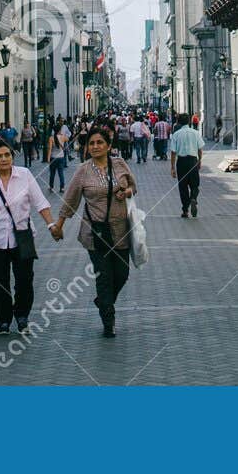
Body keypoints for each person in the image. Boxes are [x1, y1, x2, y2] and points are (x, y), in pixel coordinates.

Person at [52, 126, 136, 338]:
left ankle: (103, 300)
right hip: (95, 232)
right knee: (104, 276)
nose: (96, 146)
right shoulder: (83, 170)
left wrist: (125, 191)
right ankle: (109, 319)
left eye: (100, 143)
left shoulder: (119, 164)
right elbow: (71, 200)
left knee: (122, 274)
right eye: (92, 143)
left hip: (120, 230)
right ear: (87, 147)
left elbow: (133, 187)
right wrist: (59, 225)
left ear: (108, 145)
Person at [0, 138, 57, 335]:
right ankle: (3, 320)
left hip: (23, 237)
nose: (4, 159)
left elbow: (40, 202)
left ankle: (22, 315)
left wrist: (51, 224)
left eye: (7, 155)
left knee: (25, 280)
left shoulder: (25, 175)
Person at [168, 112, 206, 218]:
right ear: (189, 121)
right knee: (195, 184)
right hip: (193, 160)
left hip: (181, 162)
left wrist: (172, 167)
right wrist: (199, 161)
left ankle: (185, 210)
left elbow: (173, 152)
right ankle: (193, 197)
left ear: (179, 122)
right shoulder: (195, 133)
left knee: (183, 186)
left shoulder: (176, 134)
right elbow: (200, 149)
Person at [47, 125, 72, 192]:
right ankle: (62, 187)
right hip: (61, 157)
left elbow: (50, 149)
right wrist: (62, 134)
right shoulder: (63, 137)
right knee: (61, 173)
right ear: (59, 130)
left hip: (53, 157)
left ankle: (51, 187)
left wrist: (48, 158)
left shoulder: (51, 138)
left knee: (52, 173)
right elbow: (68, 138)